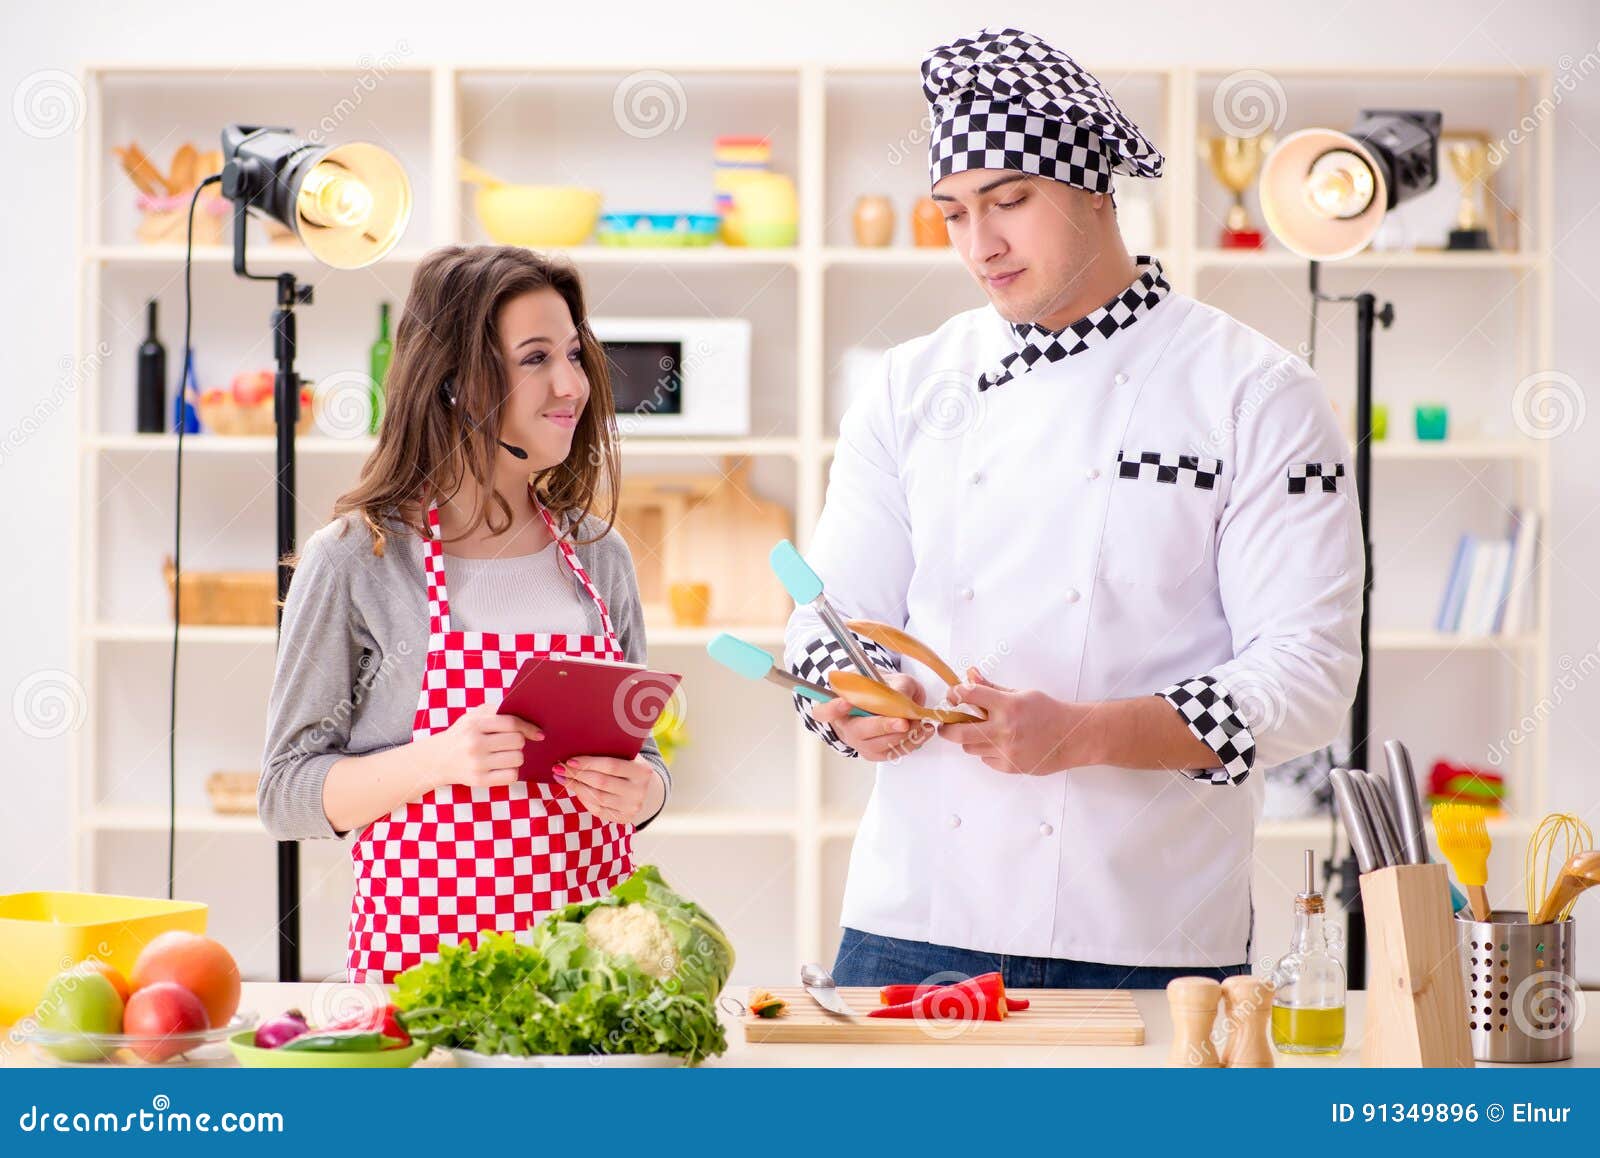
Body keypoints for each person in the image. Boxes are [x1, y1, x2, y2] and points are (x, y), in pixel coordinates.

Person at [786, 27, 1362, 989]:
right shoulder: (908, 384)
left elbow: (1307, 675)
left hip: (1143, 934)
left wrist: (1086, 734)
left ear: (1097, 187)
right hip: (911, 915)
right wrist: (845, 701)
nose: (982, 245)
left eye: (1010, 201)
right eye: (954, 213)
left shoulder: (1257, 392)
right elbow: (828, 616)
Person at [260, 245, 669, 983]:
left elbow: (646, 761)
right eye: (536, 357)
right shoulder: (358, 560)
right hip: (422, 986)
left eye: (575, 354)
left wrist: (648, 792)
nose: (571, 383)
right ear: (453, 382)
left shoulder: (600, 554)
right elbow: (285, 794)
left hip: (591, 984)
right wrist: (440, 760)